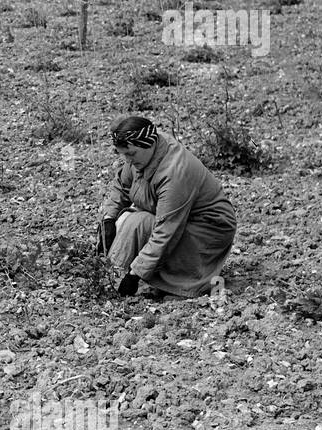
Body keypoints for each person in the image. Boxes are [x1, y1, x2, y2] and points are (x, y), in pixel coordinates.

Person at [98, 116, 237, 298]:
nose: (128, 160)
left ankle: (115, 278)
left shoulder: (174, 172)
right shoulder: (142, 150)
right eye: (123, 155)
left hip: (208, 229)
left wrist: (135, 274)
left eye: (131, 154)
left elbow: (165, 231)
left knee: (137, 222)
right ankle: (109, 275)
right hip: (180, 217)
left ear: (149, 145)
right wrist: (108, 219)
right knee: (123, 219)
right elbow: (123, 186)